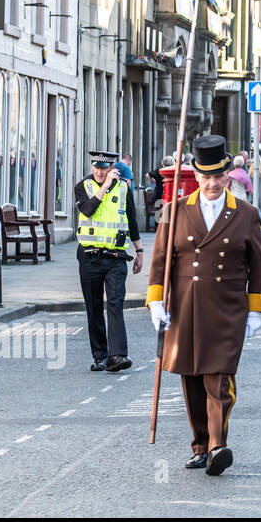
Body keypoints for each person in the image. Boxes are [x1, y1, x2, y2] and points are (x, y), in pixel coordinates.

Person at [147, 135, 261, 476]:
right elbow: (160, 261)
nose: (213, 183)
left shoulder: (245, 214)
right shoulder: (175, 212)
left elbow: (258, 265)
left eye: (219, 176)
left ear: (228, 175)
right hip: (185, 307)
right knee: (192, 379)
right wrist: (156, 302)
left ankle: (218, 445)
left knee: (219, 379)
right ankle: (200, 444)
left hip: (226, 309)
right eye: (206, 177)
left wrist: (255, 308)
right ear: (196, 177)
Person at [74, 150, 145, 373]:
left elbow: (131, 219)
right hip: (90, 257)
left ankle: (117, 355)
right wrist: (104, 188)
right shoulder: (82, 187)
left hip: (115, 257)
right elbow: (88, 210)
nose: (99, 172)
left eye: (103, 168)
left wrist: (139, 250)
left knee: (115, 304)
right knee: (94, 307)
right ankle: (100, 356)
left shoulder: (124, 188)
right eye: (96, 167)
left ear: (111, 168)